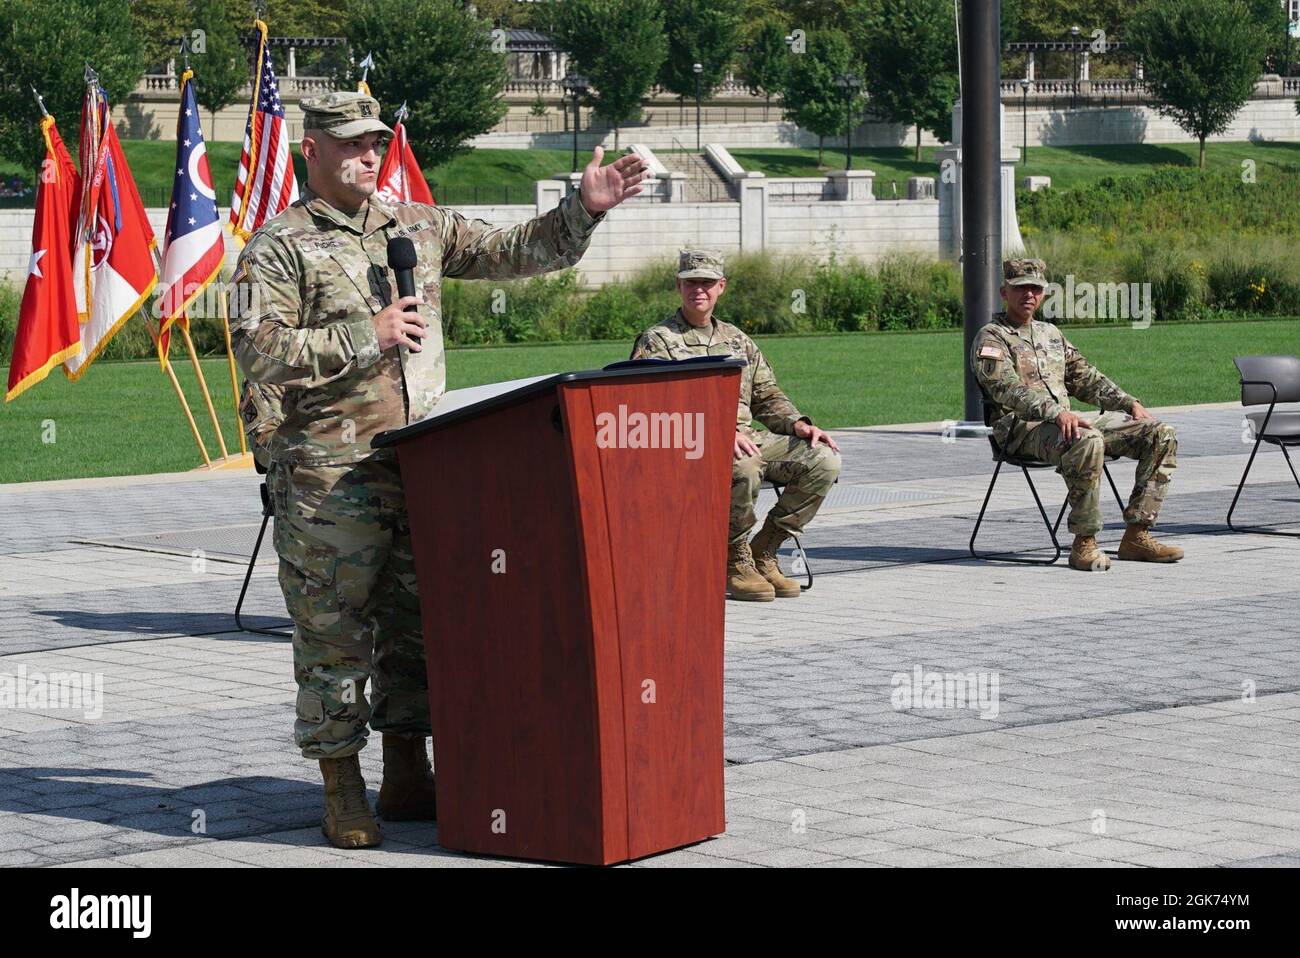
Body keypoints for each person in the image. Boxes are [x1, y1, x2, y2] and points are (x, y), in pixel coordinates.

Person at [228, 92, 645, 849]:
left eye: (375, 142)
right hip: (329, 480)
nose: (367, 154)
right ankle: (341, 784)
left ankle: (408, 765)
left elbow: (514, 250)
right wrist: (366, 332)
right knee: (336, 637)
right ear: (312, 149)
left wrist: (583, 209)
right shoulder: (275, 246)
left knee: (419, 627)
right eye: (351, 142)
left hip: (426, 465)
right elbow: (257, 349)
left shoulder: (416, 225)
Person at [630, 249, 841, 601]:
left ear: (721, 287)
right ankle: (734, 558)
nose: (699, 289)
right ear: (678, 287)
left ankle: (766, 549)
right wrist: (714, 434)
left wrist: (799, 425)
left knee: (823, 459)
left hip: (745, 435)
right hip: (689, 442)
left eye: (707, 282)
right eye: (691, 282)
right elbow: (649, 408)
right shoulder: (658, 340)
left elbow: (768, 395)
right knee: (744, 464)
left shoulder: (737, 339)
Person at [971, 258, 1183, 572]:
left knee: (1159, 433)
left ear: (1042, 294)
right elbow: (1006, 388)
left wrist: (1128, 403)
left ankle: (1137, 535)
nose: (1028, 294)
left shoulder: (1050, 334)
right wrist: (1056, 412)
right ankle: (1084, 543)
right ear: (1005, 292)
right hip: (1021, 430)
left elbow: (1085, 377)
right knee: (1087, 440)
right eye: (1020, 288)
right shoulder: (992, 337)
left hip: (1064, 423)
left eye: (1035, 288)